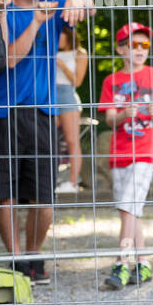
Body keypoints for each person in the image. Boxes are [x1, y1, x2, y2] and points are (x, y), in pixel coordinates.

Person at [0, 0, 94, 284]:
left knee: (43, 197)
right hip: (4, 112)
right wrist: (35, 22)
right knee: (7, 195)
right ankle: (17, 261)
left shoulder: (55, 1)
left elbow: (89, 8)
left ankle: (34, 256)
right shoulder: (3, 10)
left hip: (45, 112)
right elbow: (9, 60)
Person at [98, 23, 153, 289]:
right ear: (121, 49)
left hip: (146, 153)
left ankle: (122, 263)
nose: (141, 50)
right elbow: (109, 119)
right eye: (134, 45)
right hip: (120, 153)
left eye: (145, 45)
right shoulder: (111, 81)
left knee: (129, 206)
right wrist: (122, 115)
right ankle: (143, 264)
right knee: (130, 212)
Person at [53, 26, 89, 193]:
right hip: (50, 95)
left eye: (60, 35)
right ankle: (52, 180)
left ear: (68, 35)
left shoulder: (80, 53)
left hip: (67, 94)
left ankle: (73, 182)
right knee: (50, 140)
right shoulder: (49, 50)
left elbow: (78, 81)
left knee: (72, 140)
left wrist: (61, 65)